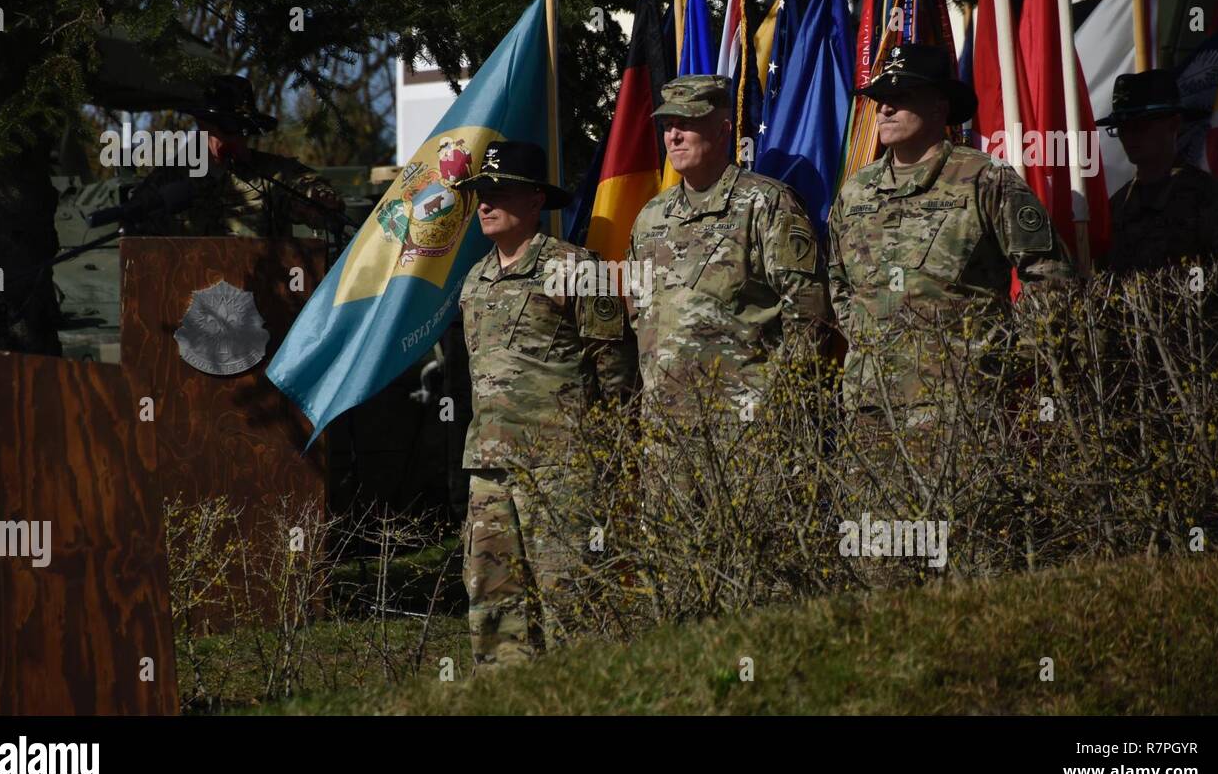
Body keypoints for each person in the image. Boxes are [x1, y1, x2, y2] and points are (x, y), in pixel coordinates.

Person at [451, 140, 636, 668]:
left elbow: (615, 373)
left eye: (499, 192)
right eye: (480, 193)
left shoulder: (577, 268)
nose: (484, 204)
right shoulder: (473, 282)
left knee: (571, 600)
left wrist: (610, 455)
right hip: (489, 470)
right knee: (492, 607)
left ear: (535, 200)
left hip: (562, 467)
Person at [827, 44, 1076, 422]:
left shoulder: (984, 179)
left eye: (902, 96)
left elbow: (1049, 273)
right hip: (870, 406)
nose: (886, 109)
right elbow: (838, 278)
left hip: (960, 405)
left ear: (939, 106)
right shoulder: (855, 190)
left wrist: (1009, 356)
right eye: (881, 99)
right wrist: (867, 334)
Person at [625, 74, 834, 419]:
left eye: (687, 124)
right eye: (668, 125)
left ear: (723, 129)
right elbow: (639, 312)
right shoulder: (651, 217)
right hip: (666, 424)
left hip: (746, 422)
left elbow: (808, 312)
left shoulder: (765, 203)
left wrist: (782, 401)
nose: (673, 136)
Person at [132, 74, 344, 236]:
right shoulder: (169, 179)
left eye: (245, 131)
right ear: (203, 125)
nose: (238, 139)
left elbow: (304, 188)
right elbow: (137, 235)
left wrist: (319, 199)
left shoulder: (272, 176)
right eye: (229, 128)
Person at [1099, 69, 1218, 275]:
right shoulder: (1116, 209)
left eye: (1140, 125)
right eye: (1123, 127)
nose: (1130, 136)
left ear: (1174, 124)